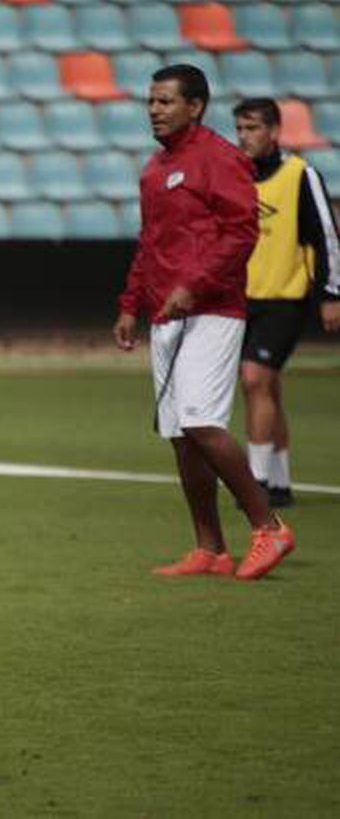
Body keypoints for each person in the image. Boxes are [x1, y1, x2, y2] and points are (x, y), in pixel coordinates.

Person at [112, 65, 294, 581]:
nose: (154, 110)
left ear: (196, 106)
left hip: (213, 311)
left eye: (166, 101)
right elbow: (149, 243)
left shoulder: (221, 159)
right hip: (167, 317)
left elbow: (241, 234)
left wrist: (195, 284)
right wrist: (131, 304)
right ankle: (209, 547)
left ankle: (269, 526)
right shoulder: (153, 169)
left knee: (200, 422)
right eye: (151, 101)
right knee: (179, 434)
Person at [229, 97, 340, 510]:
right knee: (265, 387)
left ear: (274, 132)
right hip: (243, 299)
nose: (244, 137)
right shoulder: (236, 177)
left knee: (254, 378)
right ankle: (280, 480)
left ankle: (254, 482)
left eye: (252, 128)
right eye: (239, 128)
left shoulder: (300, 174)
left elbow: (326, 235)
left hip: (285, 298)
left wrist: (331, 293)